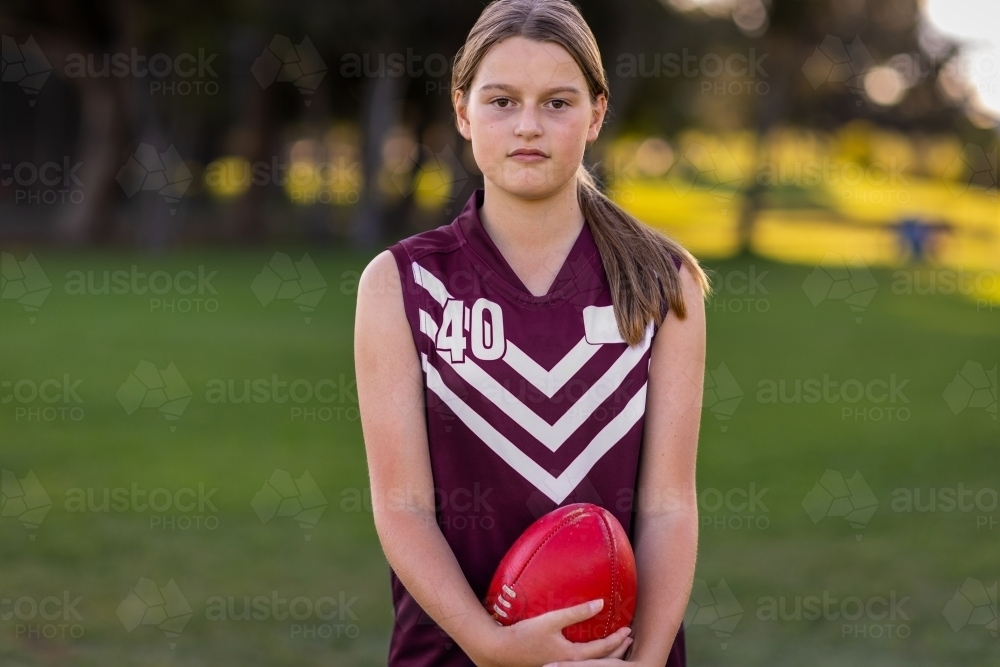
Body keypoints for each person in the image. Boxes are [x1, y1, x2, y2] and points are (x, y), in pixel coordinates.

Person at [354, 1, 711, 665]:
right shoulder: (399, 283)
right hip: (453, 651)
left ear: (596, 114)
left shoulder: (665, 282)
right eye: (501, 101)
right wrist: (491, 643)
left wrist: (648, 658)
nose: (527, 126)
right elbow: (402, 507)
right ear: (462, 111)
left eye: (557, 102)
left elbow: (668, 506)